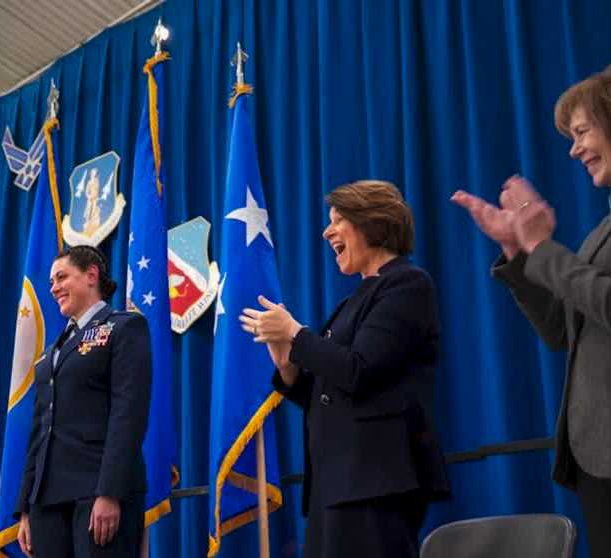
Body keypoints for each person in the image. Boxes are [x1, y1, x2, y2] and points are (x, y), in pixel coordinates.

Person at [241, 180, 450, 558]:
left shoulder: (407, 285)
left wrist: (296, 333)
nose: (327, 231)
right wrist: (287, 364)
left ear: (372, 222)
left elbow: (360, 371)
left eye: (338, 219)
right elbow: (329, 392)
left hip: (375, 482)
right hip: (336, 483)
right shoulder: (355, 300)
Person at [452, 65, 611, 556]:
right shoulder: (600, 231)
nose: (574, 148)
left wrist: (542, 248)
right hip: (597, 459)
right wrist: (522, 257)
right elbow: (565, 332)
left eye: (582, 131)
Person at [15, 245, 152, 557]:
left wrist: (110, 492)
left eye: (62, 277)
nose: (54, 288)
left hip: (96, 490)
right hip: (48, 498)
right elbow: (40, 431)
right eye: (51, 282)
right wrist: (26, 506)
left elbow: (128, 413)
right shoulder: (53, 351)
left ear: (91, 275)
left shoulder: (125, 327)